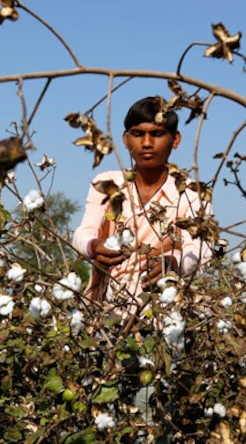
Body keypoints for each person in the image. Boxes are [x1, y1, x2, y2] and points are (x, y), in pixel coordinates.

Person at [73, 96, 214, 305]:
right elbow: (83, 233)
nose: (147, 143)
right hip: (105, 314)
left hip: (165, 317)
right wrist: (95, 247)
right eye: (138, 134)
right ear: (126, 139)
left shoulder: (193, 194)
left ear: (175, 140)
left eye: (157, 134)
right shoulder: (107, 184)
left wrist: (174, 263)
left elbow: (200, 252)